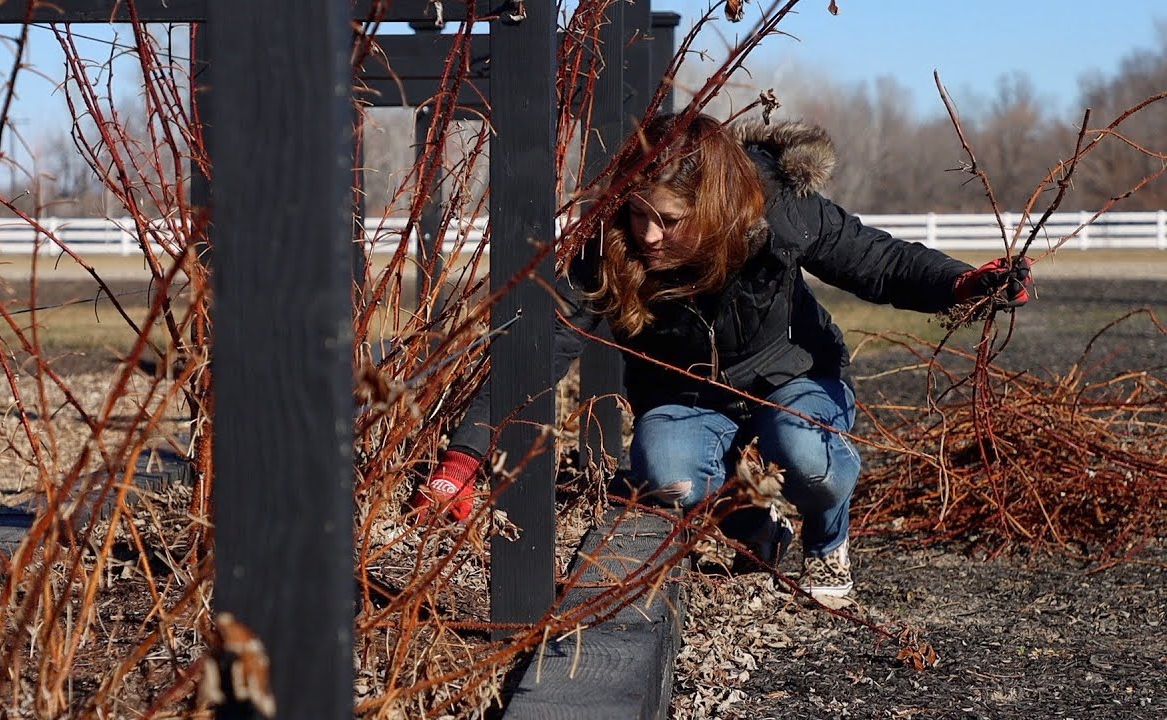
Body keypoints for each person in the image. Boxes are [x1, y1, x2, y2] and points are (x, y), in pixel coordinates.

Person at [412, 112, 1032, 598]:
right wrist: (464, 460)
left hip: (791, 375)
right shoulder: (614, 244)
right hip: (683, 394)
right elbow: (544, 344)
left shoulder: (777, 210)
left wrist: (963, 284)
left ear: (710, 208)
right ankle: (757, 526)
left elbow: (878, 260)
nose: (648, 235)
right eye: (638, 214)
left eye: (669, 219)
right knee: (667, 478)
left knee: (806, 457)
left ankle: (826, 536)